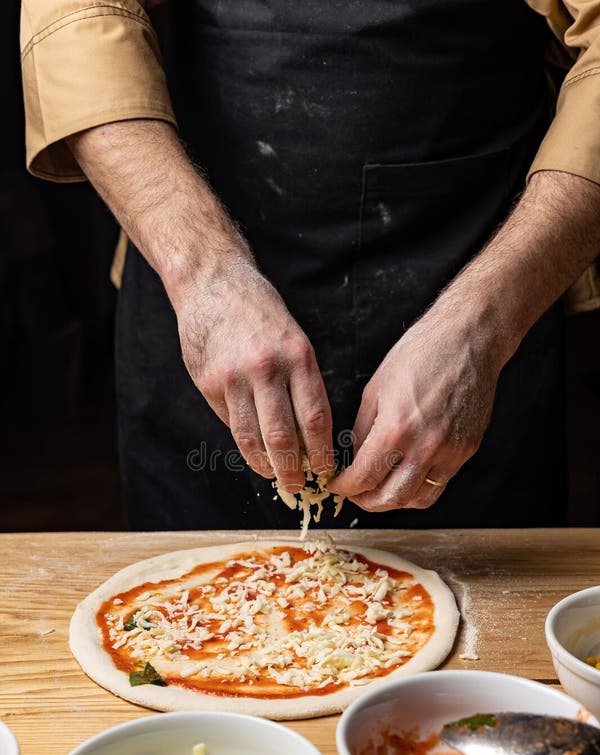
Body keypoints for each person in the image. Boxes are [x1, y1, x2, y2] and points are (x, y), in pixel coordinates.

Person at [20, 0, 600, 530]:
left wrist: (482, 325)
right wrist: (206, 275)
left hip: (483, 269)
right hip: (188, 264)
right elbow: (75, 24)